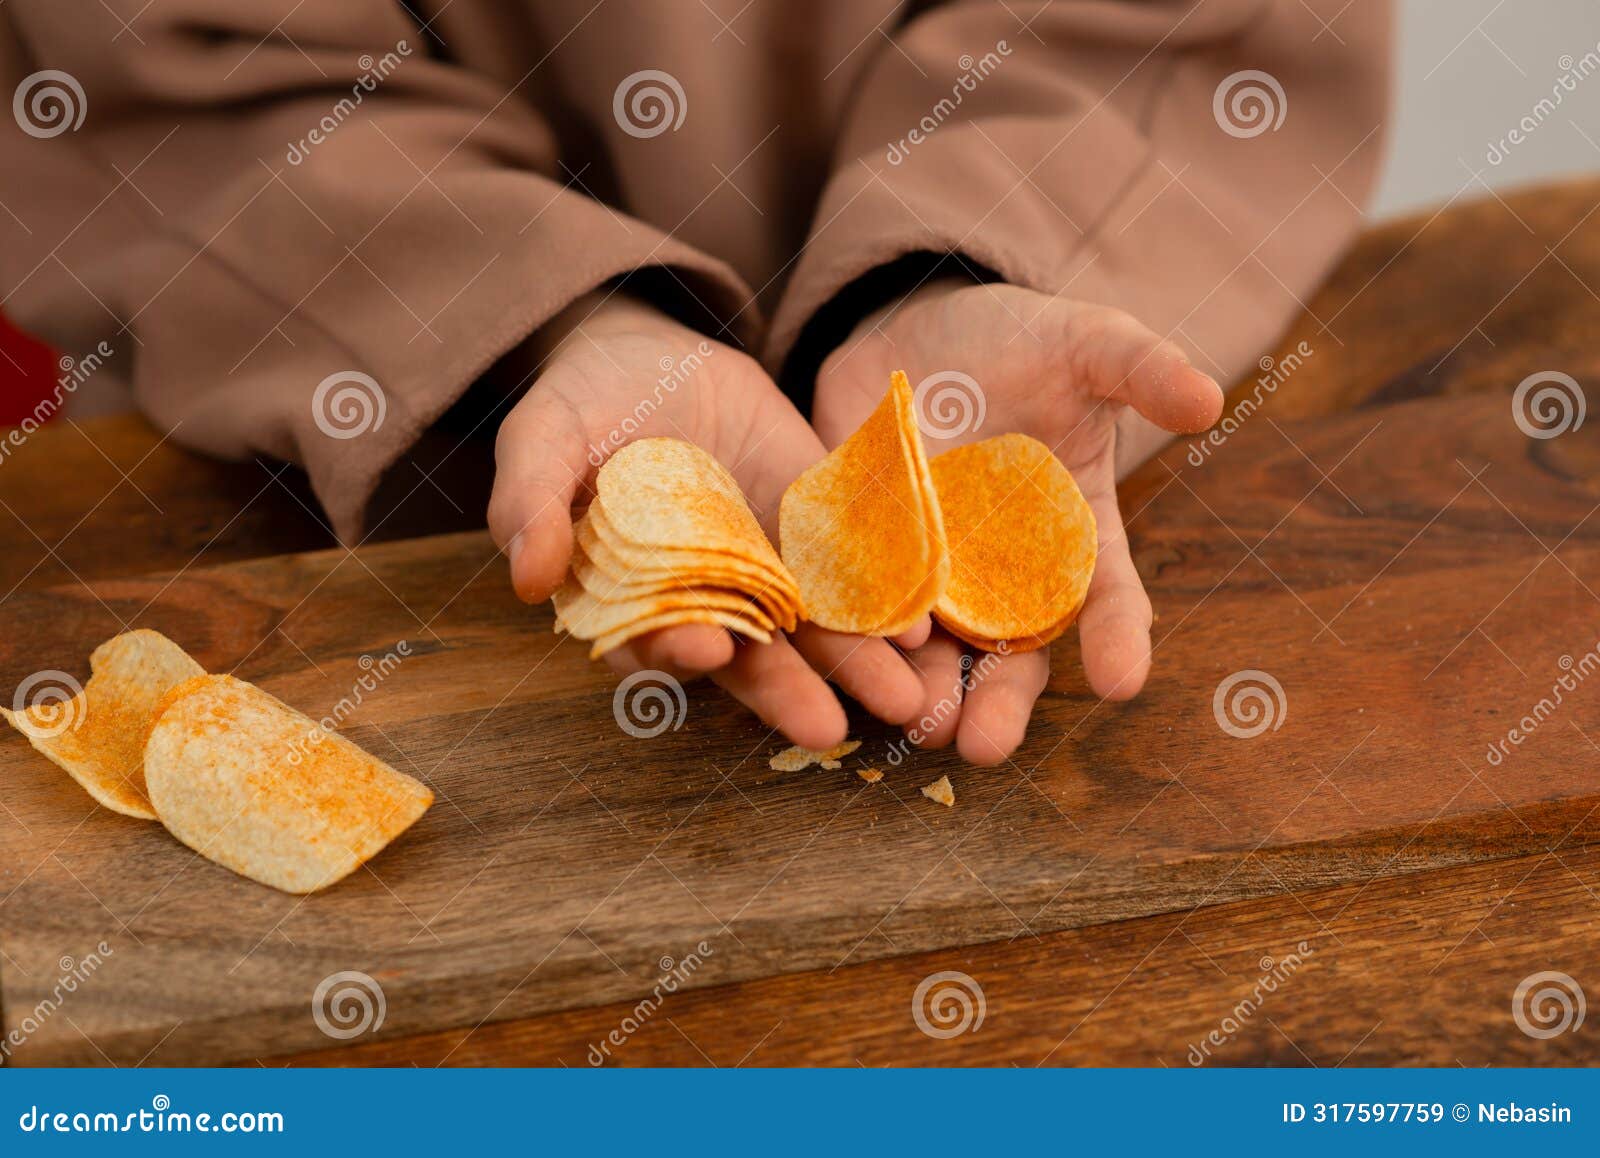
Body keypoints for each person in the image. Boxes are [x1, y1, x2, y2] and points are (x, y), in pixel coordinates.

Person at [0, 0, 1390, 763]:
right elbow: (173, 64)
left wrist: (962, 256)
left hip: (1020, 345)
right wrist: (547, 315)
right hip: (352, 496)